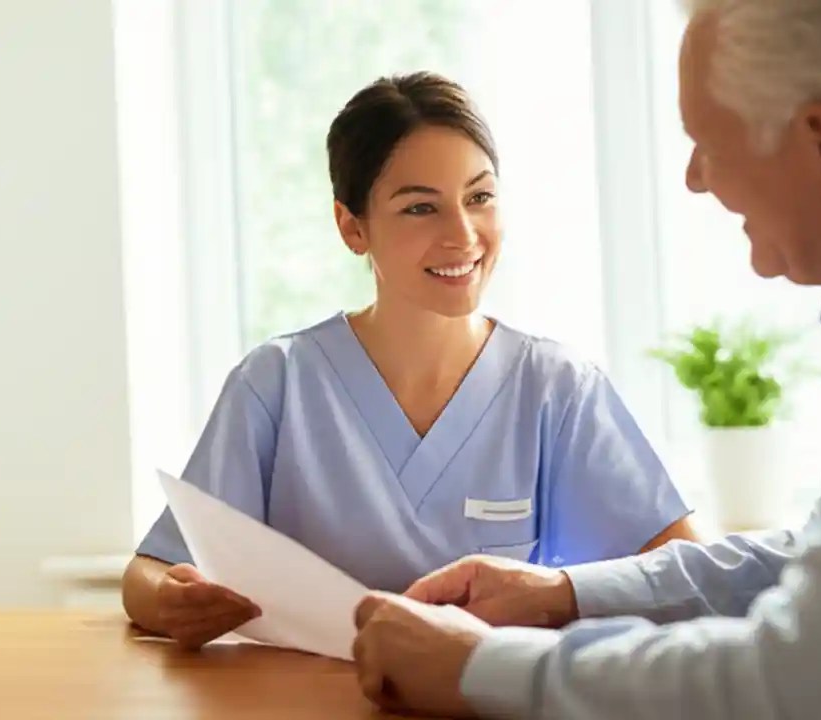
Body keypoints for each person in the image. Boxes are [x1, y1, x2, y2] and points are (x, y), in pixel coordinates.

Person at [351, 3, 821, 718]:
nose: (695, 178)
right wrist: (567, 594)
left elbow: (811, 686)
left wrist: (478, 669)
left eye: (708, 142)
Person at [121, 72, 696, 649]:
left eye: (480, 197)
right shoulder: (277, 383)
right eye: (421, 208)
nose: (463, 234)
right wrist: (172, 604)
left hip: (485, 703)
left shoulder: (556, 389)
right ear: (352, 226)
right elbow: (149, 574)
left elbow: (681, 572)